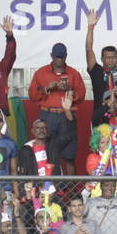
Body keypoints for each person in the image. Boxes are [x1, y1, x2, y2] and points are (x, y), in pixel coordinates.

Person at [29, 42, 87, 172]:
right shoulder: (41, 73)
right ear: (51, 56)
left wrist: (69, 89)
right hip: (47, 116)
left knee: (69, 156)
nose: (59, 59)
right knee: (46, 153)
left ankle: (70, 185)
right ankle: (48, 184)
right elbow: (32, 95)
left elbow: (82, 95)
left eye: (62, 57)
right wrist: (46, 88)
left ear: (66, 56)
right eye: (57, 57)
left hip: (67, 115)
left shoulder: (73, 73)